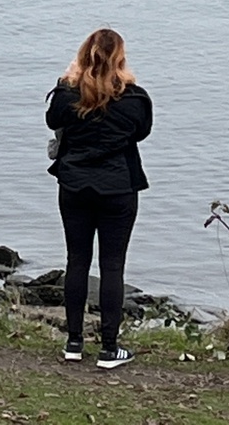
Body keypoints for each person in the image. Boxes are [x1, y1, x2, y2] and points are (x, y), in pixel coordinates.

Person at [46, 28, 152, 369]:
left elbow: (52, 120)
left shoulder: (66, 96)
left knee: (77, 261)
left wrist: (67, 81)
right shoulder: (135, 99)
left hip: (75, 185)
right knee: (112, 266)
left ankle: (74, 342)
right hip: (118, 187)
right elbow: (142, 131)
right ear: (121, 59)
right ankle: (109, 347)